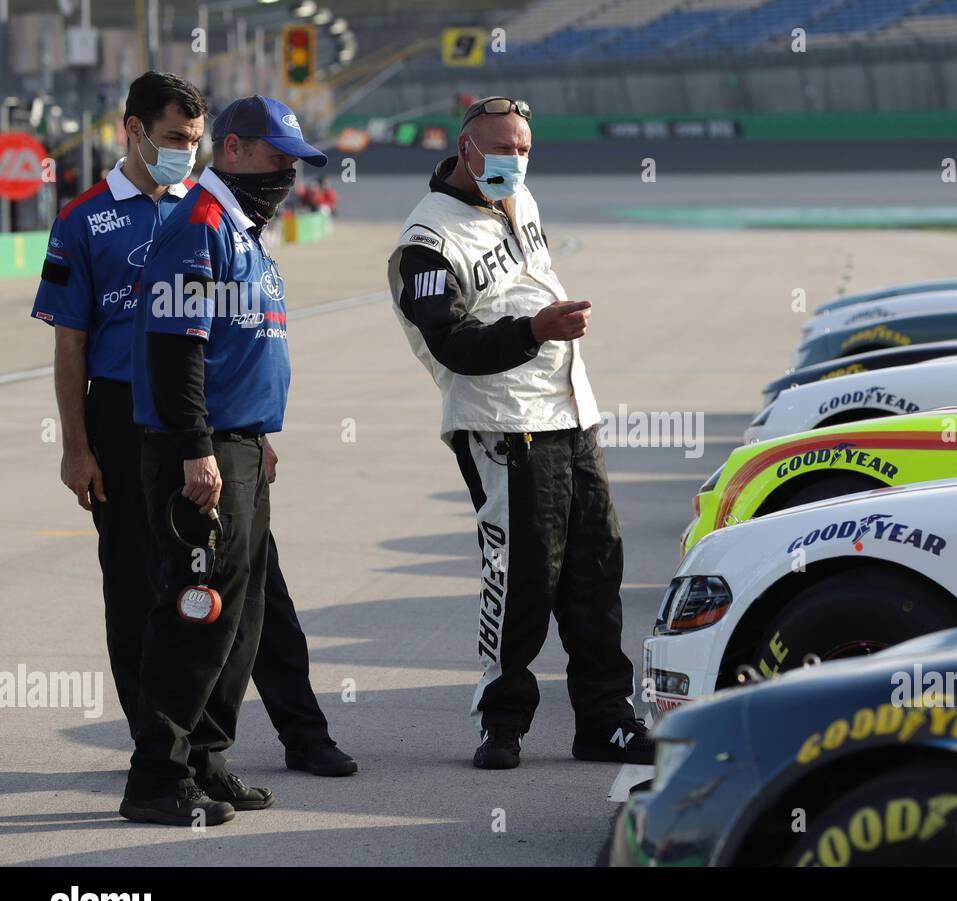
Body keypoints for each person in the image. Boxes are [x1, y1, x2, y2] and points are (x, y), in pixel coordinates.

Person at [32, 73, 356, 785]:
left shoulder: (210, 209)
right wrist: (78, 448)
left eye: (195, 140)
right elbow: (69, 343)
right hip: (123, 416)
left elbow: (234, 340)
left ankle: (301, 731)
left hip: (202, 420)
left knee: (253, 583)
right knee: (139, 590)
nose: (185, 151)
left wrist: (246, 433)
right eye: (175, 139)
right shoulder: (85, 217)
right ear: (133, 129)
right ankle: (161, 747)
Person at [385, 96, 652, 770]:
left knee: (595, 571)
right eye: (501, 149)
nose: (514, 161)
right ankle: (503, 723)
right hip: (504, 426)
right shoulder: (425, 241)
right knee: (524, 577)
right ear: (465, 149)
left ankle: (605, 720)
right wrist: (537, 331)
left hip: (569, 413)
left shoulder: (520, 204)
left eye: (524, 149)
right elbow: (452, 344)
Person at [121, 94, 330, 826]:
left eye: (295, 163)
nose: (288, 175)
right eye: (277, 159)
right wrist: (197, 451)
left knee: (239, 621)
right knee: (195, 614)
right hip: (200, 456)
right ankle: (156, 777)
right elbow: (176, 351)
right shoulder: (202, 226)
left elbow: (238, 350)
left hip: (238, 448)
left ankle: (206, 761)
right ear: (233, 149)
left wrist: (254, 438)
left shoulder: (243, 230)